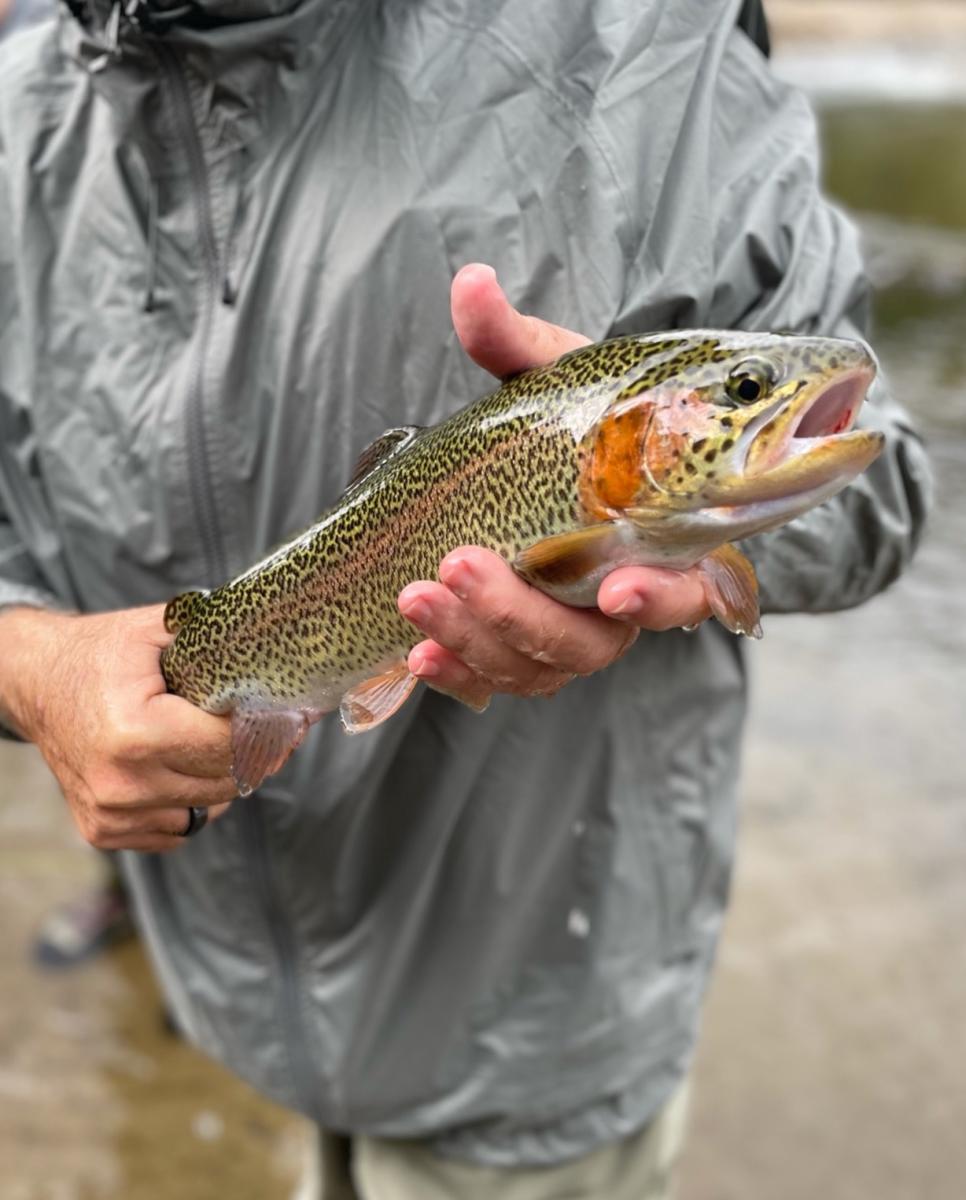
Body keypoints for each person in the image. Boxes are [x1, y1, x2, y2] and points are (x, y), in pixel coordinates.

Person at [0, 0, 929, 1196]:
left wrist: (708, 550)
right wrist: (33, 666)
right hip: (227, 997)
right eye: (743, 390)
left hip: (531, 1031)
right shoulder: (14, 119)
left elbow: (885, 470)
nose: (765, 399)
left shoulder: (644, 38)